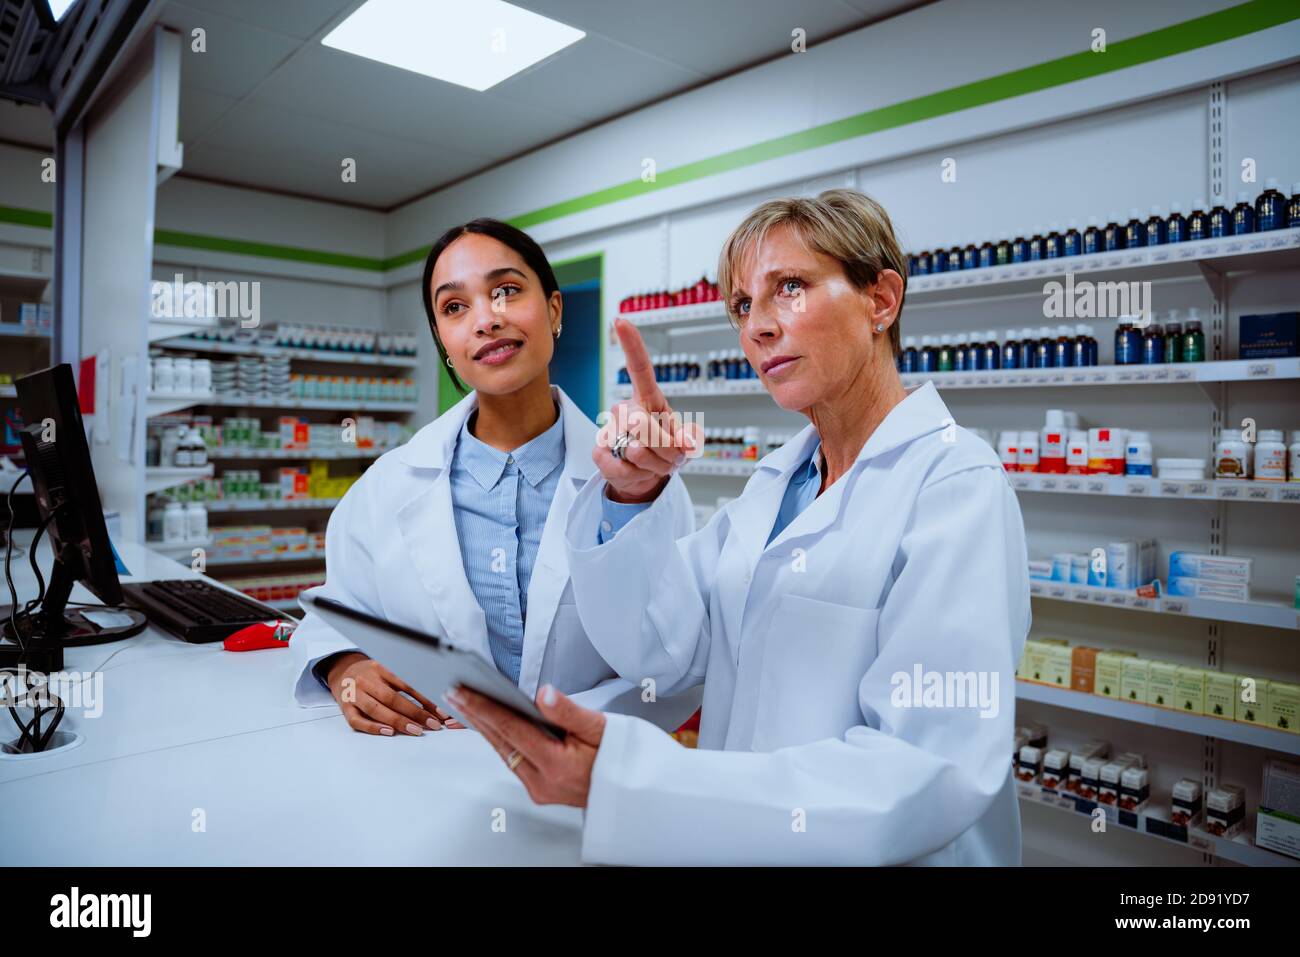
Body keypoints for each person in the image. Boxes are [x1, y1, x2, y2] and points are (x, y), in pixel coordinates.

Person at [450, 190, 1031, 865]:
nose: (757, 326)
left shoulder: (955, 487)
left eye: (790, 288)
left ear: (881, 300)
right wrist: (630, 494)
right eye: (742, 305)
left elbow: (923, 773)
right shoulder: (775, 488)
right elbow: (660, 649)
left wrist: (642, 784)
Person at [290, 218, 698, 737]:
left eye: (505, 290)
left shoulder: (639, 485)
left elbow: (675, 655)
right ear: (443, 341)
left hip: (589, 776)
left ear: (553, 310)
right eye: (454, 307)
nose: (486, 319)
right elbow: (333, 612)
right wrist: (345, 667)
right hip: (425, 772)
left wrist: (631, 499)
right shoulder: (388, 485)